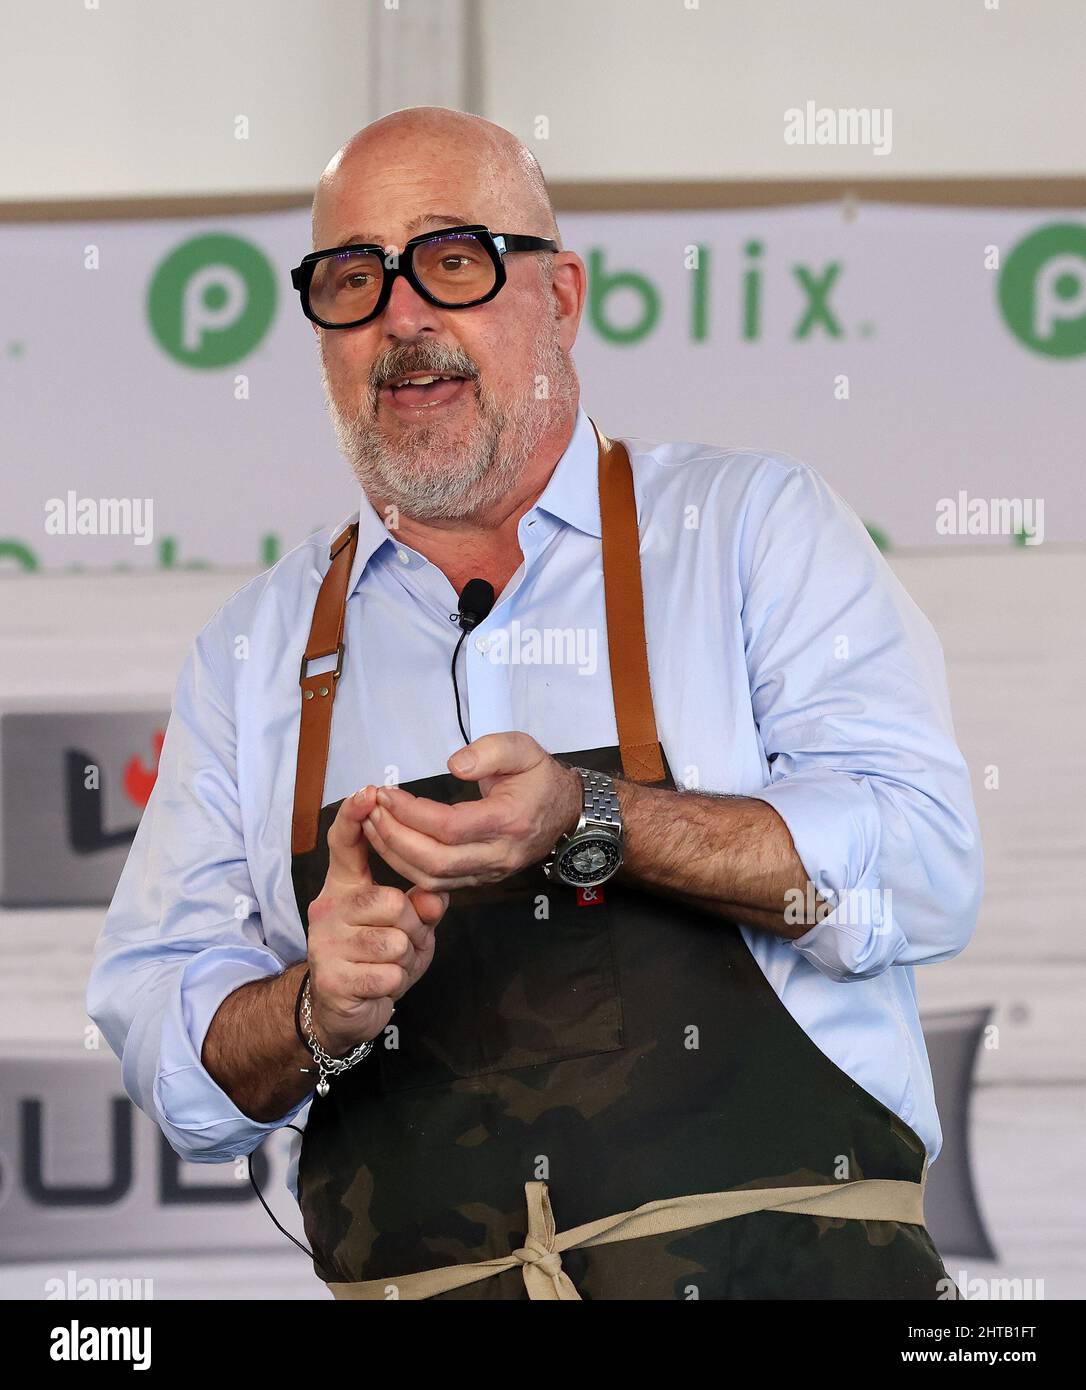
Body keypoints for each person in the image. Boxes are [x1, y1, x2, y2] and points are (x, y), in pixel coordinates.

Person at [88, 106, 983, 1301]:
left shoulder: (749, 531)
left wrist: (596, 817)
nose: (402, 318)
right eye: (353, 279)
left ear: (559, 297)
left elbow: (920, 868)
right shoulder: (254, 651)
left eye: (452, 261)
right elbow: (158, 1024)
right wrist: (317, 1005)